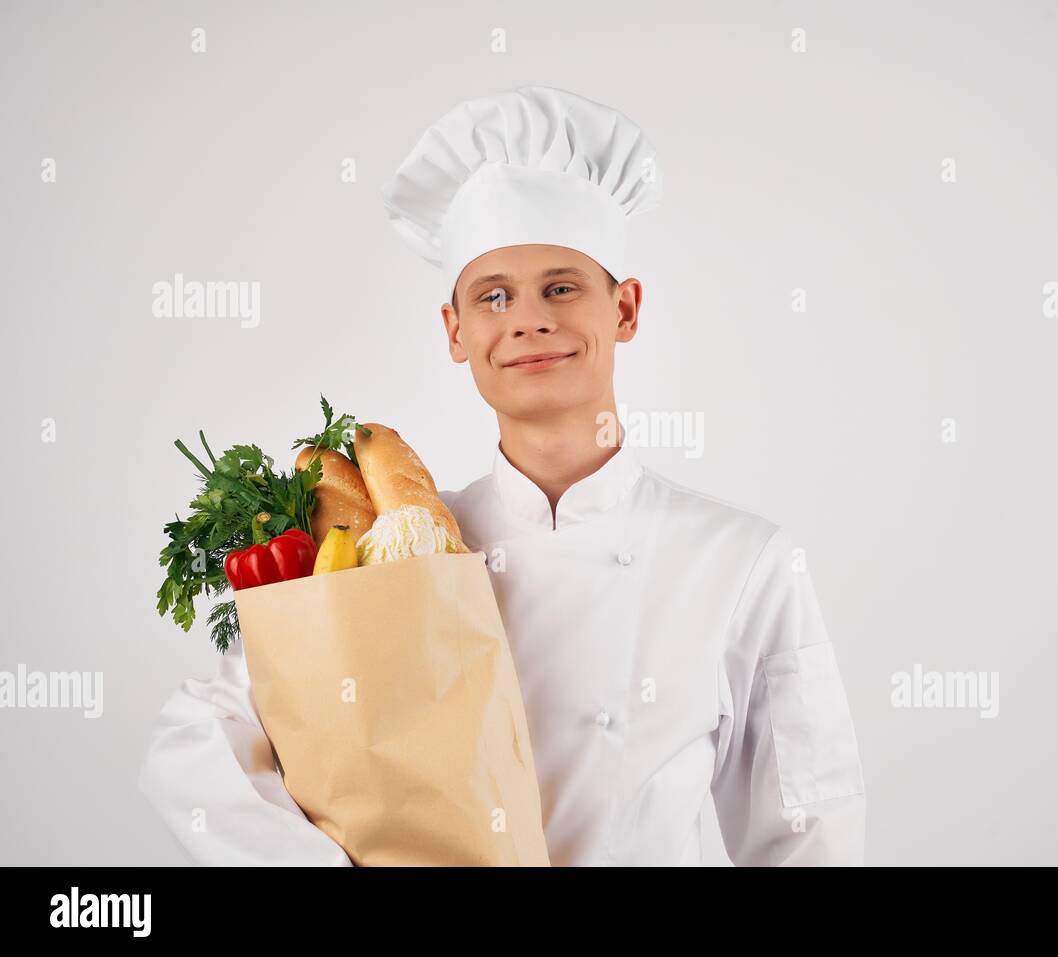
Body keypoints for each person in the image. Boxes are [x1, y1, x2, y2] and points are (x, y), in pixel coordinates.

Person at [139, 85, 866, 866]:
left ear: (624, 309)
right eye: (493, 297)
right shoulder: (392, 554)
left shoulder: (740, 561)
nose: (527, 320)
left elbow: (810, 829)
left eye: (561, 287)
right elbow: (195, 742)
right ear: (456, 331)